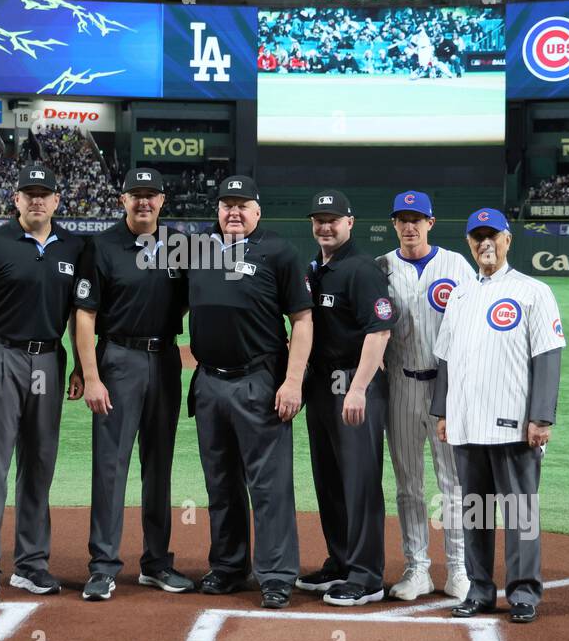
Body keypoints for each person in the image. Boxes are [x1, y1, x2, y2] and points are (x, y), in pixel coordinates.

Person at [0, 164, 85, 604]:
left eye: (44, 193)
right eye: (28, 193)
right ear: (16, 200)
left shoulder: (74, 246)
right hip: (1, 356)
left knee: (40, 463)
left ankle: (30, 565)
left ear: (57, 200)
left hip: (48, 359)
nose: (37, 200)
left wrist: (82, 366)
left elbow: (79, 314)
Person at [431, 208, 565, 624]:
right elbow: (446, 358)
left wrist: (541, 417)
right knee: (474, 511)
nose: (485, 243)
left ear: (508, 240)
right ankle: (480, 590)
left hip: (512, 424)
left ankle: (523, 593)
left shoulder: (533, 291)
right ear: (469, 243)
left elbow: (548, 354)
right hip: (467, 423)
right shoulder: (460, 293)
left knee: (520, 514)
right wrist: (442, 411)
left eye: (493, 235)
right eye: (477, 237)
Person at [186, 175, 313, 609]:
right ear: (217, 210)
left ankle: (276, 574)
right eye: (226, 205)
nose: (233, 212)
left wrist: (293, 380)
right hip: (208, 382)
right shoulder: (196, 248)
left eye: (242, 205)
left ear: (258, 211)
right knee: (220, 483)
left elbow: (302, 319)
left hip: (258, 380)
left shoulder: (279, 251)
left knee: (269, 484)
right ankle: (228, 566)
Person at [73, 168, 194, 601]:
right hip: (118, 360)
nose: (144, 202)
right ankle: (103, 566)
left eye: (152, 195)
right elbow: (84, 314)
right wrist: (90, 375)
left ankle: (156, 562)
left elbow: (197, 298)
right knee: (111, 466)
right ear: (122, 200)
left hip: (164, 361)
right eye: (135, 195)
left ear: (162, 201)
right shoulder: (101, 246)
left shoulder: (181, 246)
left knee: (158, 466)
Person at [297, 191, 397, 607]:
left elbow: (380, 331)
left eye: (333, 219)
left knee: (359, 482)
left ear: (349, 223)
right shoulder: (316, 268)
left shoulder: (362, 270)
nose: (325, 226)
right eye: (319, 219)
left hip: (354, 386)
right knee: (330, 480)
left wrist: (358, 388)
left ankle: (367, 575)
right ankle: (340, 561)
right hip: (321, 386)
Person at [377, 191, 474, 603]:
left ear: (431, 223)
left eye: (417, 218)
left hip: (446, 388)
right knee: (408, 484)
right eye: (402, 218)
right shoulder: (381, 267)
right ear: (395, 223)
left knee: (453, 482)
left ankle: (459, 568)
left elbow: (475, 327)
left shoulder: (455, 265)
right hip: (400, 385)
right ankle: (417, 568)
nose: (409, 226)